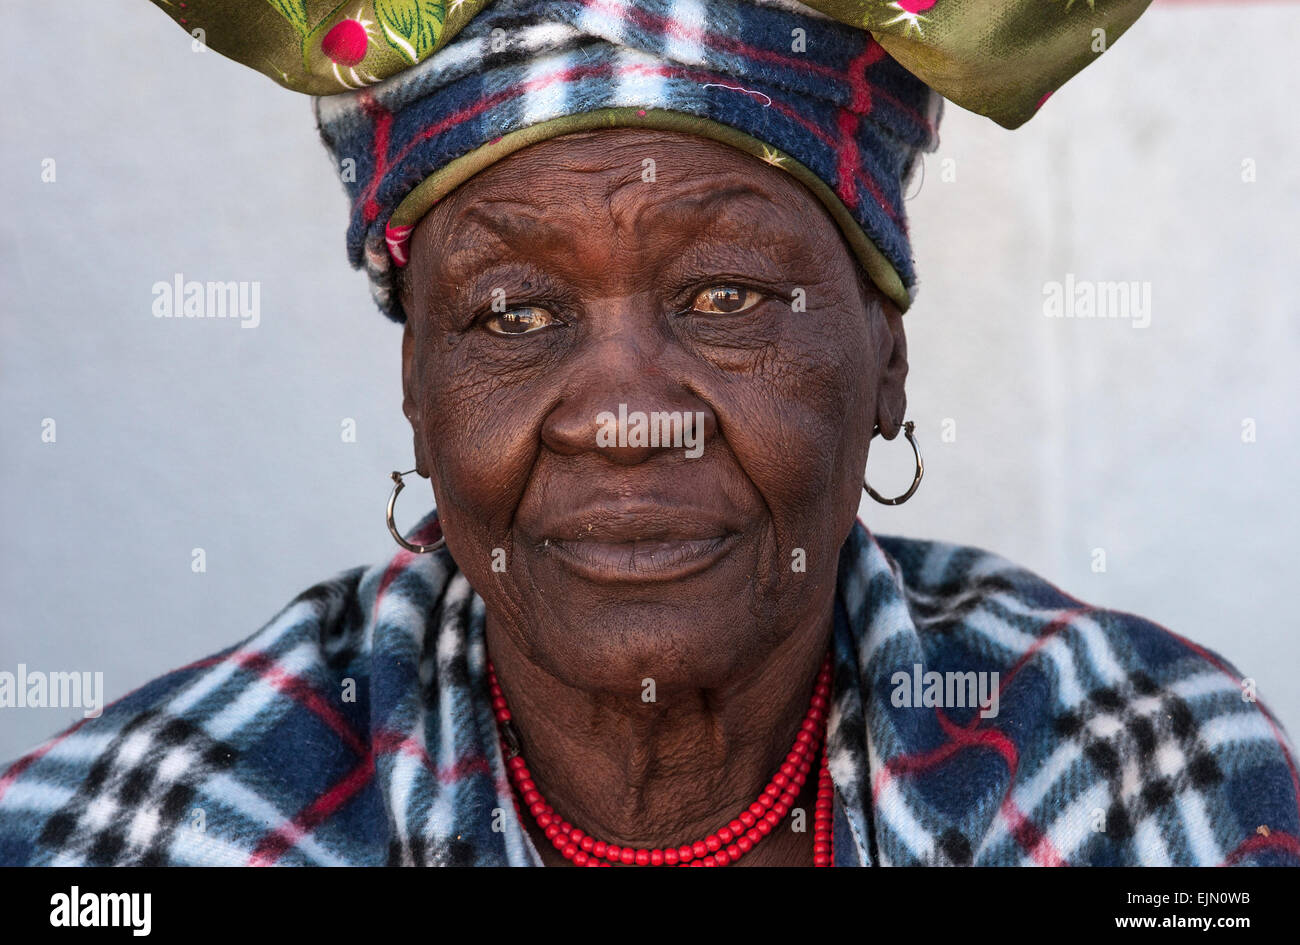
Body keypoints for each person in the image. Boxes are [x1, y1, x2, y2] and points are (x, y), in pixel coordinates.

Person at [0, 0, 1295, 867]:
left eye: (727, 299)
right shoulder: (119, 842)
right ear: (416, 384)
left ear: (887, 363)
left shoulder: (1157, 784)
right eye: (513, 313)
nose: (624, 416)